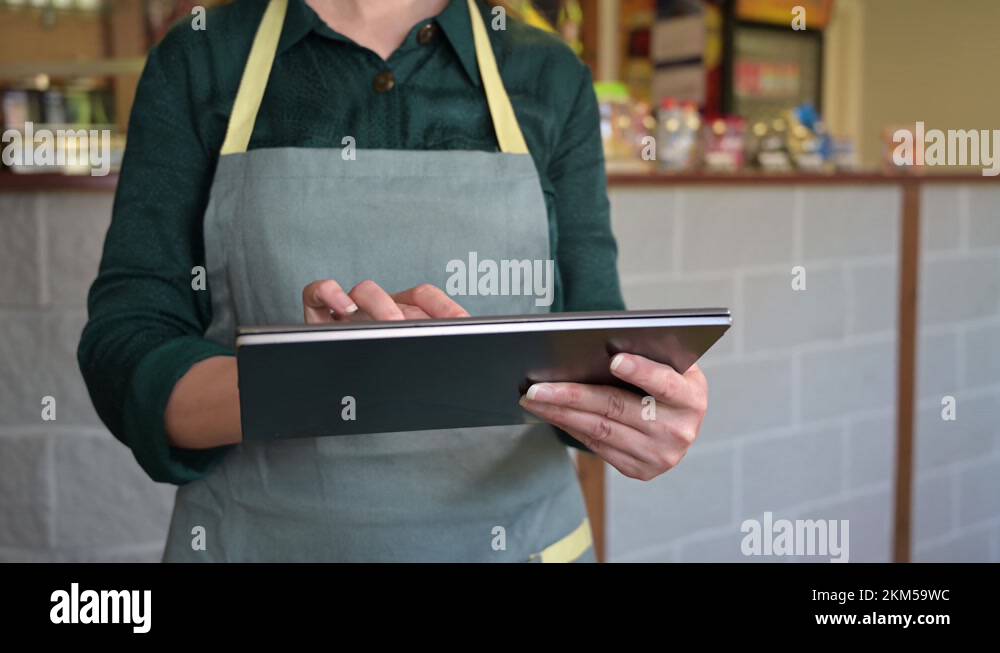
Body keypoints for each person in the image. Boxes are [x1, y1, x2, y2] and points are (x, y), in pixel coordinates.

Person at [78, 0, 709, 562]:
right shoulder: (202, 55)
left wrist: (637, 414)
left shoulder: (548, 74)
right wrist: (318, 379)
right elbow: (129, 342)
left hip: (520, 543)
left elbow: (589, 337)